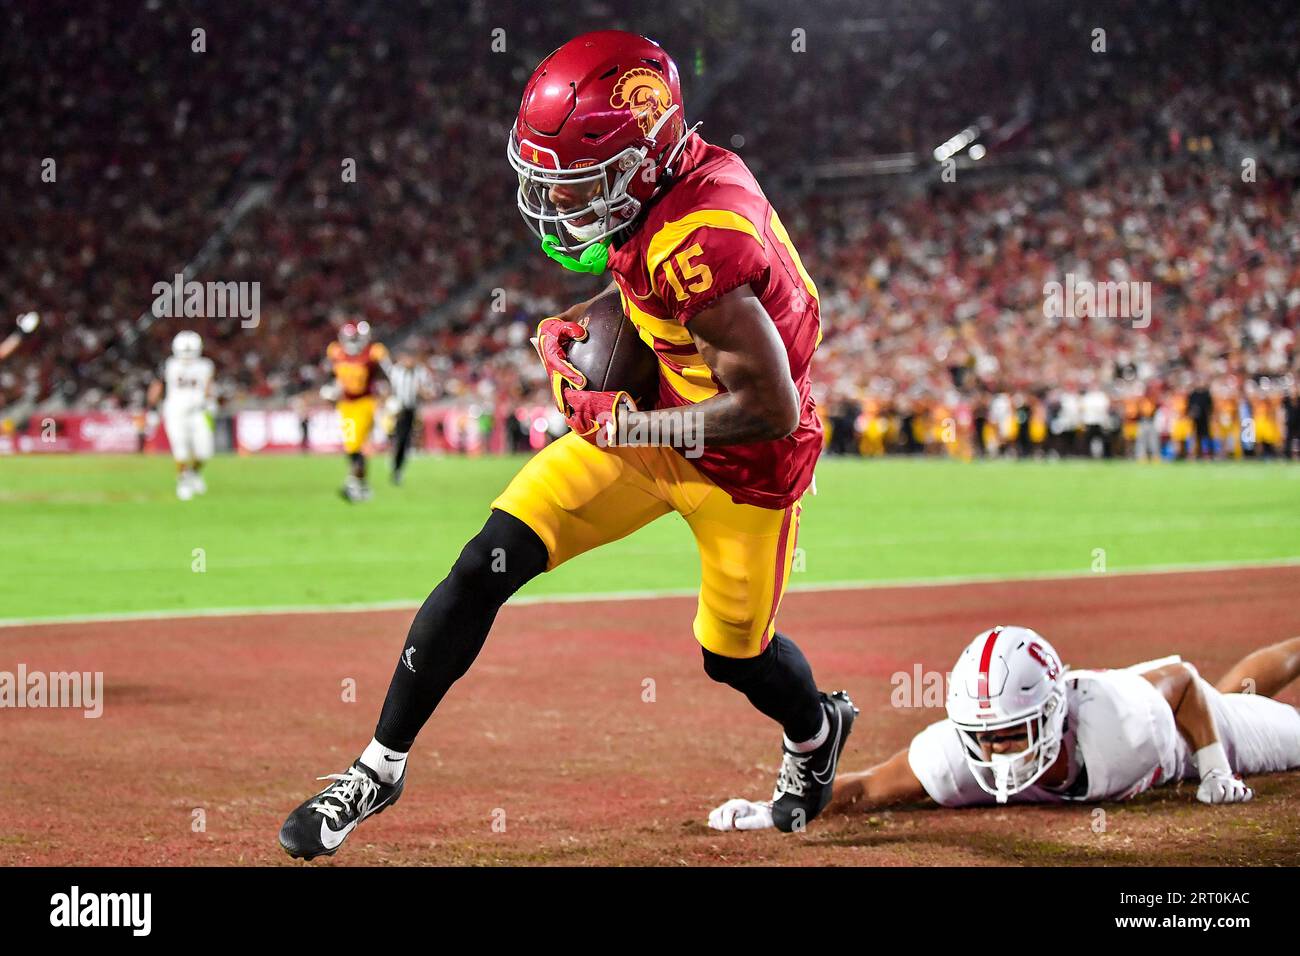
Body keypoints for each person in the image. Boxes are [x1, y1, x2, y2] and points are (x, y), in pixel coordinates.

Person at [278, 30, 853, 860]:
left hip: (741, 466)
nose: (557, 197)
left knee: (733, 656)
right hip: (658, 426)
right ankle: (377, 767)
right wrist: (585, 328)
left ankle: (815, 731)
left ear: (644, 158)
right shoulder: (667, 190)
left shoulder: (696, 239)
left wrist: (633, 425)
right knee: (485, 565)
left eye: (580, 179)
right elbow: (647, 289)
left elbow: (767, 406)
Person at [709, 628, 1300, 830]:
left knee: (1243, 712)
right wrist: (778, 808)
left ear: (1052, 717)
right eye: (983, 735)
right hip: (1118, 694)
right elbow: (864, 789)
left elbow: (1180, 679)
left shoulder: (1124, 725)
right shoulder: (959, 753)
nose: (992, 751)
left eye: (1010, 734)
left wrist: (1216, 768)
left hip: (1183, 736)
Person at [322, 320, 390, 502]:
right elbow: (333, 377)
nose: (352, 342)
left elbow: (388, 375)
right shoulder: (336, 352)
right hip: (345, 405)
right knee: (353, 447)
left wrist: (387, 396)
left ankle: (352, 483)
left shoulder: (373, 352)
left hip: (365, 403)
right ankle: (362, 485)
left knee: (354, 444)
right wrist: (331, 390)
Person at [146, 330, 215, 501]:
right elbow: (157, 387)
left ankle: (194, 473)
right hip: (175, 411)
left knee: (204, 451)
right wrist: (152, 409)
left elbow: (207, 387)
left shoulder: (206, 365)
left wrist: (210, 403)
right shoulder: (168, 364)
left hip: (199, 411)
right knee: (180, 449)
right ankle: (183, 481)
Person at [386, 348, 434, 485]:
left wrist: (423, 392)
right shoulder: (396, 371)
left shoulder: (420, 372)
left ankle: (397, 465)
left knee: (406, 439)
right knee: (401, 438)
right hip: (398, 408)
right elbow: (389, 389)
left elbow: (429, 392)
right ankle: (396, 465)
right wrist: (390, 405)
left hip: (413, 409)